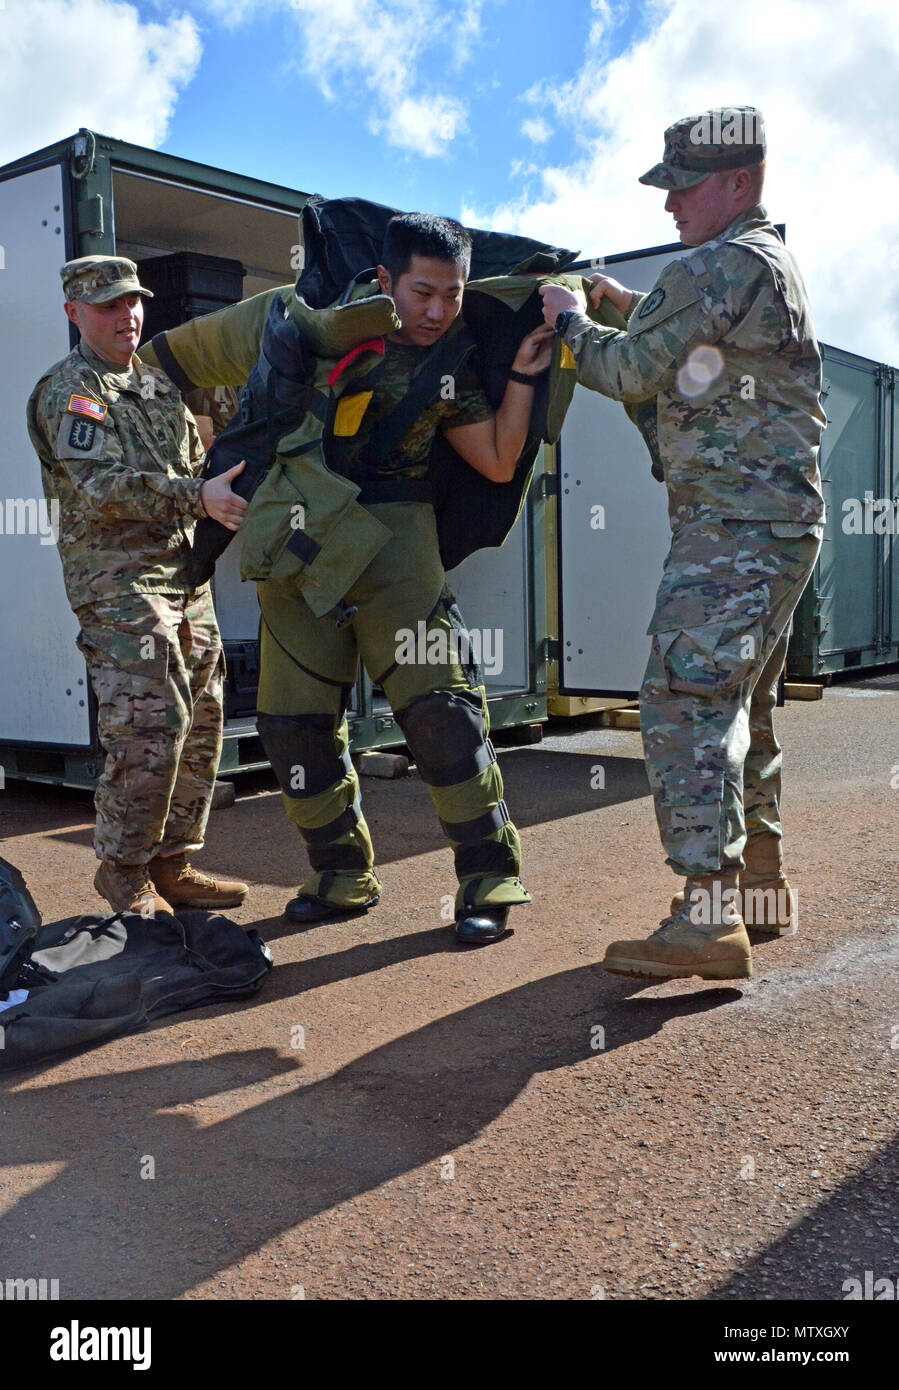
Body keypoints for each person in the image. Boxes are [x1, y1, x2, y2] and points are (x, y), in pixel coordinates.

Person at [141, 215, 554, 943]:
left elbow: (493, 459)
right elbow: (162, 361)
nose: (436, 311)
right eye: (422, 292)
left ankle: (488, 877)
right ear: (386, 280)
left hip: (397, 542)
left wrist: (523, 372)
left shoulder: (451, 359)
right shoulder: (292, 323)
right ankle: (340, 874)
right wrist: (207, 456)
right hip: (297, 541)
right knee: (293, 728)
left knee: (441, 717)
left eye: (452, 295)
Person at [540, 106, 826, 981]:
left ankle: (707, 916)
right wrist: (626, 305)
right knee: (747, 705)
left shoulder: (722, 262)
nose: (669, 206)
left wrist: (566, 321)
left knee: (684, 701)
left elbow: (628, 370)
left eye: (683, 187)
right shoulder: (760, 262)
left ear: (736, 183)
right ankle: (760, 890)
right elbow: (695, 360)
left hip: (732, 531)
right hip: (775, 526)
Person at [26, 256, 249, 917]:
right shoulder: (74, 393)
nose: (125, 315)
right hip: (118, 581)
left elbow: (204, 450)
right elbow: (100, 489)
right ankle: (123, 872)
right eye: (106, 306)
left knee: (204, 719)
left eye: (131, 302)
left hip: (182, 574)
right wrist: (195, 496)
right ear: (74, 314)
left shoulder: (155, 384)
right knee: (151, 722)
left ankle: (172, 862)